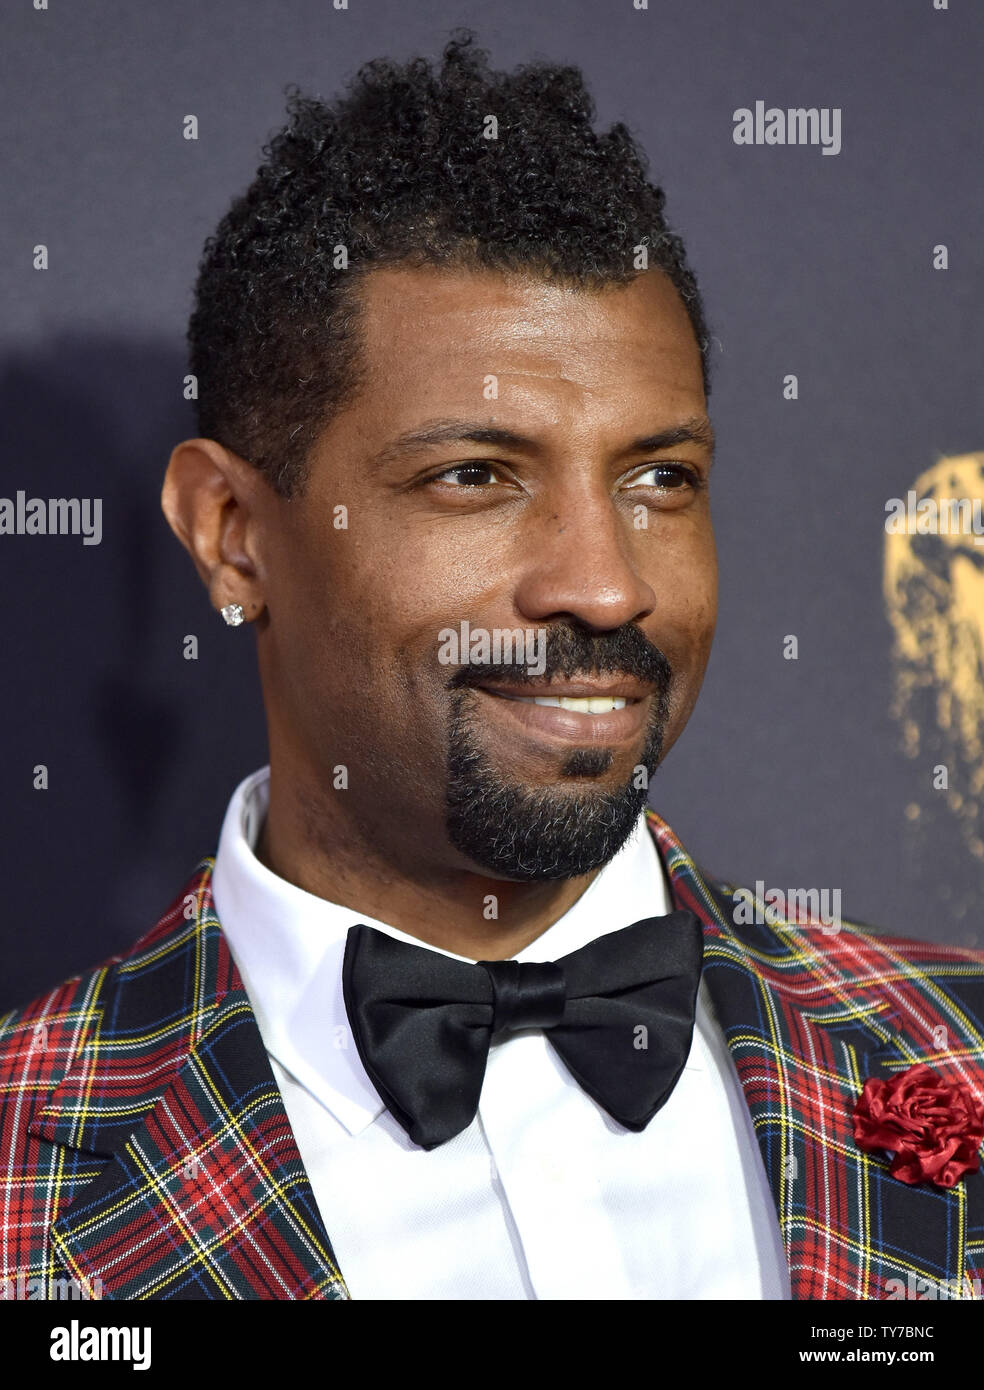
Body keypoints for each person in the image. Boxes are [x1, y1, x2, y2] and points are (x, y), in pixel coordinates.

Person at [2, 31, 983, 1303]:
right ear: (233, 537)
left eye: (658, 479)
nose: (606, 581)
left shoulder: (956, 1050)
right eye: (475, 476)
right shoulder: (26, 1170)